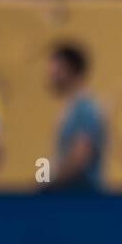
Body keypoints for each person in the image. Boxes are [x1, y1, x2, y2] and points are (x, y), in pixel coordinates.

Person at [45, 43, 105, 191]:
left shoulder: (85, 108)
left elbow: (80, 155)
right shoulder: (72, 108)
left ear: (69, 70)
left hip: (81, 200)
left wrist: (46, 185)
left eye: (55, 71)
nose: (50, 77)